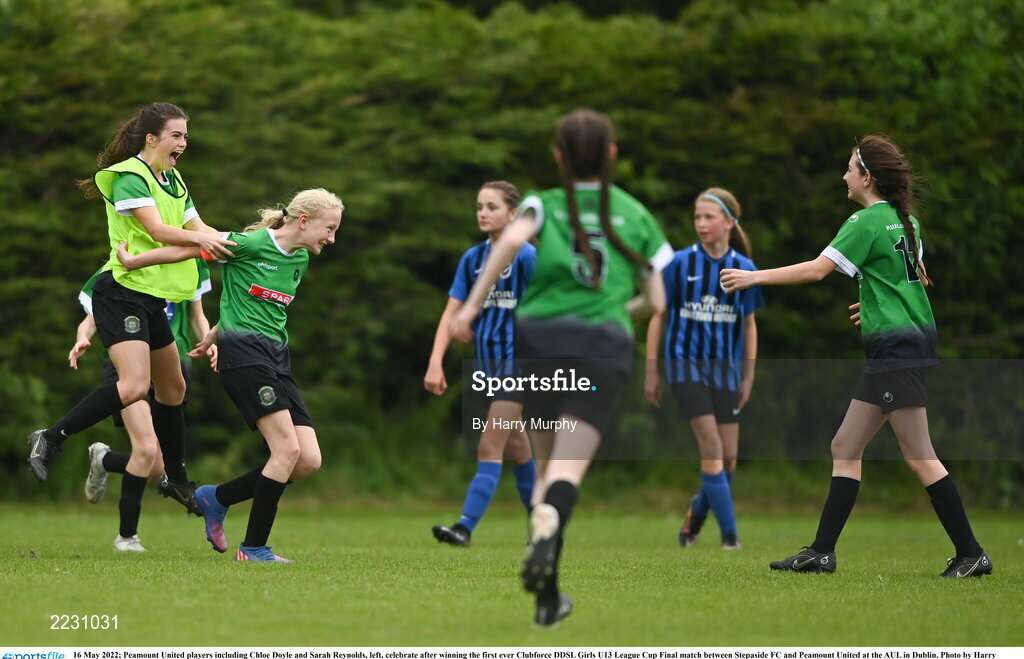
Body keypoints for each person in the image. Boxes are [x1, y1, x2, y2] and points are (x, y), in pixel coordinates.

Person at [720, 134, 991, 578]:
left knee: (920, 455)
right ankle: (821, 552)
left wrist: (753, 277)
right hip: (906, 344)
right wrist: (872, 306)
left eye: (849, 168)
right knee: (845, 446)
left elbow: (816, 270)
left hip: (896, 351)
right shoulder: (906, 220)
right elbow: (913, 280)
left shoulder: (864, 221)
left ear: (866, 177)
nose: (844, 175)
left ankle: (971, 553)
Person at [450, 109, 673, 626]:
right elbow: (657, 298)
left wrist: (470, 308)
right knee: (564, 475)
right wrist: (619, 312)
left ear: (558, 156)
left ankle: (548, 599)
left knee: (546, 470)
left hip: (539, 342)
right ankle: (546, 543)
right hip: (602, 345)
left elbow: (507, 243)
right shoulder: (635, 214)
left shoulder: (540, 204)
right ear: (612, 154)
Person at [26, 102, 234, 551]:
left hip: (149, 295)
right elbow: (160, 232)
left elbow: (199, 226)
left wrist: (244, 241)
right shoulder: (128, 176)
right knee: (135, 385)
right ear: (151, 139)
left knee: (174, 387)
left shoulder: (173, 179)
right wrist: (204, 241)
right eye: (176, 135)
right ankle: (50, 437)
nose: (184, 142)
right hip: (119, 291)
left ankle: (177, 479)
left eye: (186, 134)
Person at [118, 188, 343, 563]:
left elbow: (255, 302)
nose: (331, 238)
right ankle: (254, 548)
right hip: (244, 358)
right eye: (329, 228)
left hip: (276, 358)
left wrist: (215, 330)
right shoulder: (250, 244)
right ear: (304, 221)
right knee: (286, 450)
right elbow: (188, 250)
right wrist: (134, 262)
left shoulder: (300, 258)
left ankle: (215, 498)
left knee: (307, 461)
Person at [645, 188, 762, 550]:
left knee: (728, 460)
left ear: (729, 222)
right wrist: (652, 370)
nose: (700, 223)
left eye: (708, 217)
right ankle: (730, 536)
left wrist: (749, 374)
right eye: (697, 217)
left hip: (726, 371)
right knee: (711, 448)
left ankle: (694, 517)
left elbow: (748, 324)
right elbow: (658, 315)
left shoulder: (745, 268)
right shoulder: (680, 264)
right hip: (684, 366)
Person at [69, 260, 215, 551]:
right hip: (127, 366)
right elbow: (93, 317)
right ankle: (127, 538)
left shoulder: (193, 261)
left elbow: (197, 315)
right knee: (146, 449)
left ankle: (105, 460)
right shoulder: (122, 262)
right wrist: (82, 338)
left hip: (172, 369)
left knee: (157, 469)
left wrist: (210, 341)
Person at [426, 182, 538, 547]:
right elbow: (451, 313)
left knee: (490, 444)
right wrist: (435, 362)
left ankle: (464, 527)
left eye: (491, 206)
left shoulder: (526, 257)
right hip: (487, 367)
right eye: (479, 206)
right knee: (518, 448)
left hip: (519, 366)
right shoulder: (473, 259)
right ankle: (544, 525)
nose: (483, 213)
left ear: (512, 214)